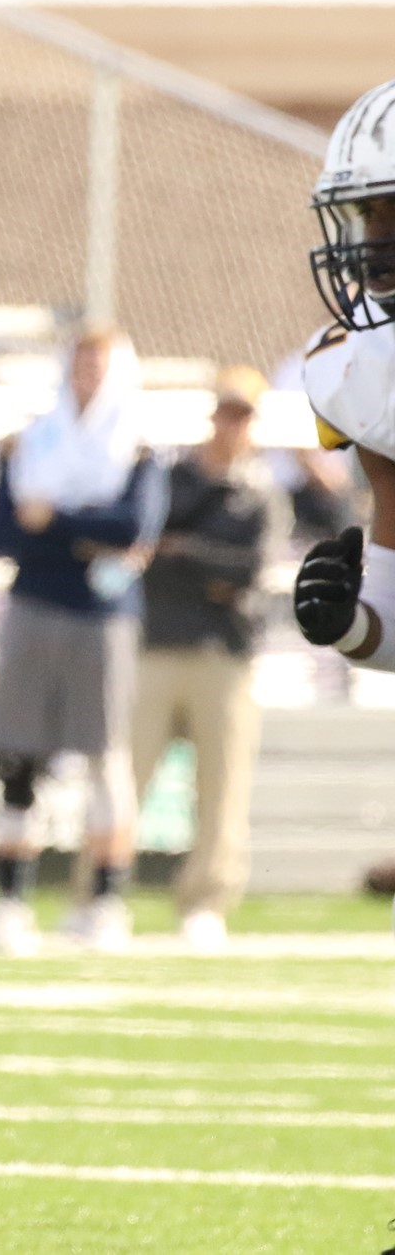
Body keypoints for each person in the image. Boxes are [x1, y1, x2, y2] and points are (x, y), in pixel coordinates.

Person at [0, 327, 166, 955]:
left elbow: (133, 526)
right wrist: (84, 535)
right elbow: (4, 529)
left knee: (105, 755)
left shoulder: (136, 446)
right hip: (36, 603)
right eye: (80, 363)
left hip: (102, 612)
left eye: (99, 365)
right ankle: (10, 900)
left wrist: (54, 519)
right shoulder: (34, 440)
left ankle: (106, 901)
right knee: (19, 755)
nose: (87, 376)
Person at [129, 366, 287, 951]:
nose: (232, 425)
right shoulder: (174, 480)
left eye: (243, 414)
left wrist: (187, 552)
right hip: (159, 642)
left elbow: (250, 571)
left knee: (222, 786)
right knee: (126, 775)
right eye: (227, 411)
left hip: (224, 651)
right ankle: (100, 890)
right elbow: (148, 553)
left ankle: (205, 901)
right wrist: (205, 564)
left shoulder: (261, 492)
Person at [290, 77, 395, 915]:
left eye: (393, 217)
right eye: (365, 218)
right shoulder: (362, 374)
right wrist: (349, 623)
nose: (373, 246)